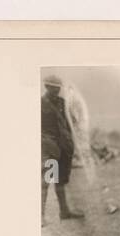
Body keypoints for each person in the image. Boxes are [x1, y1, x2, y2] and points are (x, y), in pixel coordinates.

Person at [40, 75, 83, 225]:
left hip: (64, 147)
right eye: (54, 87)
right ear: (47, 87)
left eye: (58, 87)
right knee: (47, 179)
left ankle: (64, 211)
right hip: (49, 146)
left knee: (61, 180)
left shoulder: (62, 103)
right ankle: (40, 216)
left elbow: (70, 122)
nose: (57, 90)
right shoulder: (40, 104)